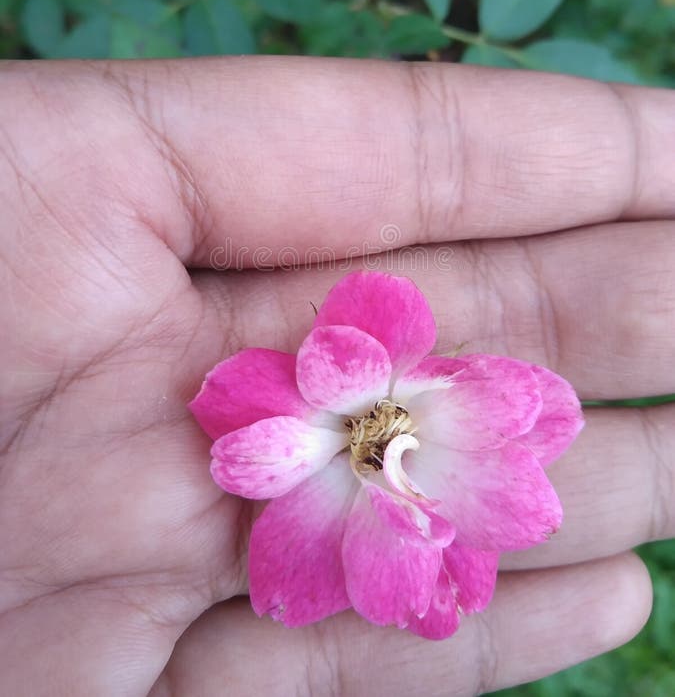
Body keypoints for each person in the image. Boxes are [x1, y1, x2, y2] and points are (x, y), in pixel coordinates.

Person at [0, 55, 672, 696]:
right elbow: (250, 396)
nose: (384, 452)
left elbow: (539, 418)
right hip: (338, 413)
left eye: (384, 450)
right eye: (384, 447)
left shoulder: (446, 460)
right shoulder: (323, 408)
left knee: (438, 559)